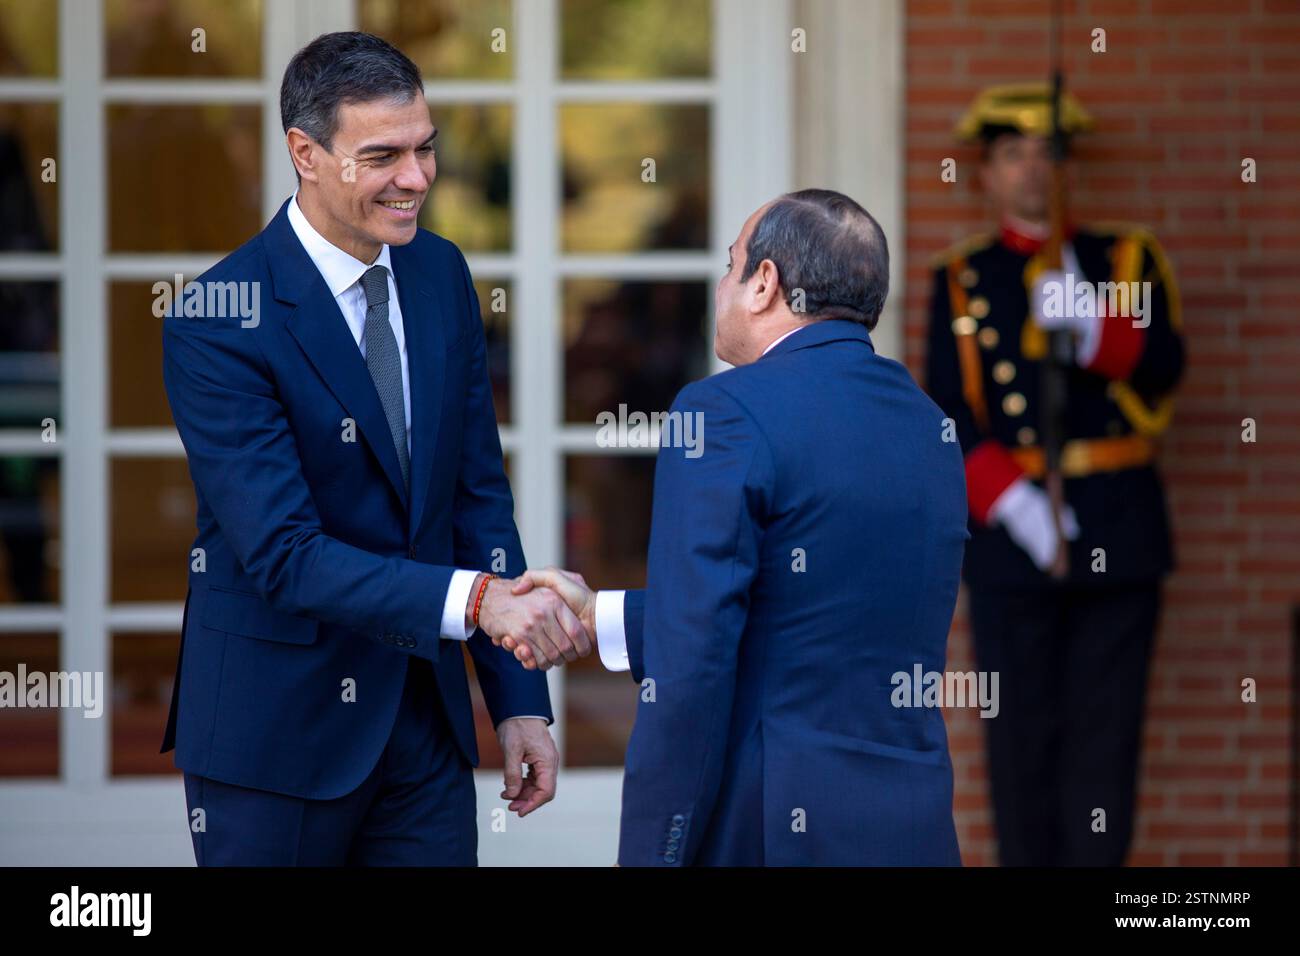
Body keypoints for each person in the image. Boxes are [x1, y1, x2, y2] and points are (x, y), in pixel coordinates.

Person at [160, 32, 592, 866]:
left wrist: (518, 700)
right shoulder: (220, 317)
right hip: (273, 736)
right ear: (305, 153)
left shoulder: (439, 274)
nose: (418, 178)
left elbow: (475, 496)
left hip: (423, 731)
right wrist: (477, 605)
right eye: (384, 155)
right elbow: (283, 555)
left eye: (426, 147)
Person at [509, 190, 970, 866]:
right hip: (911, 826)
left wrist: (653, 851)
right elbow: (807, 618)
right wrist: (600, 617)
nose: (721, 289)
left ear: (764, 283)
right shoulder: (931, 426)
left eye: (730, 267)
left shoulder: (723, 411)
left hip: (769, 829)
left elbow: (692, 675)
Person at [924, 84, 1185, 865]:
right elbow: (946, 416)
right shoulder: (963, 278)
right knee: (1021, 739)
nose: (1033, 171)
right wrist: (1018, 504)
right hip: (1013, 536)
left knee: (1106, 738)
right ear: (985, 176)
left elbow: (1167, 370)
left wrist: (1097, 325)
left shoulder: (1125, 260)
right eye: (1012, 155)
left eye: (1048, 154)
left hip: (1118, 522)